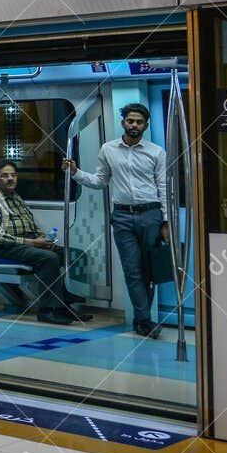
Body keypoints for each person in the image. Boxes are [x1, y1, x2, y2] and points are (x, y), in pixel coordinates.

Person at [64, 102, 169, 338]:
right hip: (122, 216)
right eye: (130, 121)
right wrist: (76, 173)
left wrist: (166, 221)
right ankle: (144, 320)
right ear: (123, 123)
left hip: (151, 214)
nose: (134, 125)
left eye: (139, 122)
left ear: (146, 125)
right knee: (132, 270)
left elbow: (163, 187)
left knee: (149, 271)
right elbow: (100, 181)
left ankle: (142, 321)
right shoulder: (108, 149)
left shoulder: (156, 152)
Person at [0, 161, 92, 326]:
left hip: (27, 242)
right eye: (5, 176)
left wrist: (44, 239)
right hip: (6, 247)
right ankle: (46, 311)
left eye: (13, 175)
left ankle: (65, 302)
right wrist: (33, 242)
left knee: (75, 254)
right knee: (48, 258)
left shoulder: (16, 197)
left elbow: (31, 225)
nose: (10, 179)